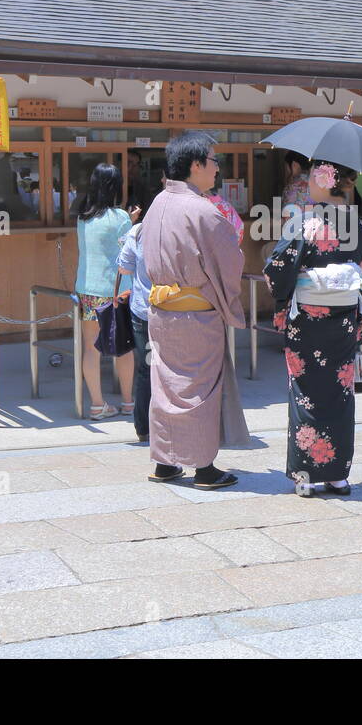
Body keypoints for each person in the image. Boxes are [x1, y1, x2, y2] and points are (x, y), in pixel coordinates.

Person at [265, 159, 362, 497]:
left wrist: (285, 299)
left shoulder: (305, 223)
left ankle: (307, 476)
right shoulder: (359, 226)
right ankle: (338, 475)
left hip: (306, 324)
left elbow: (277, 269)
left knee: (306, 394)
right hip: (343, 322)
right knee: (340, 394)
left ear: (321, 180)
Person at [142, 131, 246, 489]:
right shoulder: (204, 210)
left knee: (166, 385)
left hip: (162, 311)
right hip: (196, 313)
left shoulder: (157, 203)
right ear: (197, 164)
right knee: (199, 389)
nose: (218, 169)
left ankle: (165, 462)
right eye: (215, 161)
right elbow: (230, 263)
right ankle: (204, 468)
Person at [74, 163, 137, 421]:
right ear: (115, 187)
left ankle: (97, 405)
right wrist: (132, 222)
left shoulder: (83, 216)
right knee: (123, 346)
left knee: (91, 348)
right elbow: (127, 248)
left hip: (87, 288)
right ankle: (128, 402)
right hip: (116, 291)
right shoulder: (120, 217)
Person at [116, 219, 151, 442]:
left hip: (144, 310)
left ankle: (144, 428)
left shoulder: (138, 230)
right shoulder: (183, 225)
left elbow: (123, 267)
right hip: (179, 311)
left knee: (147, 369)